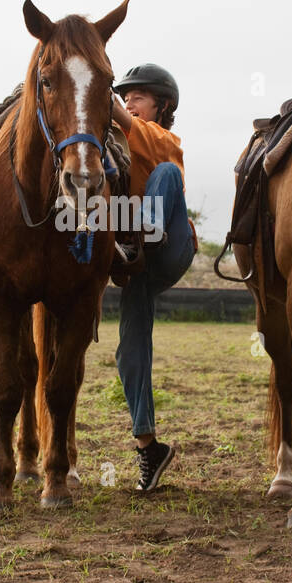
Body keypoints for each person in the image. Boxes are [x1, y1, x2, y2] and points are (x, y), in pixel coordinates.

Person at [110, 64, 199, 491]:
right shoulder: (115, 144)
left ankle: (146, 228)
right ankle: (149, 446)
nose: (129, 102)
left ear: (162, 106)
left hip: (171, 247)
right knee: (129, 352)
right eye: (125, 97)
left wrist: (97, 92)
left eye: (138, 97)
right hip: (138, 263)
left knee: (166, 174)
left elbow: (121, 119)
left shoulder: (165, 140)